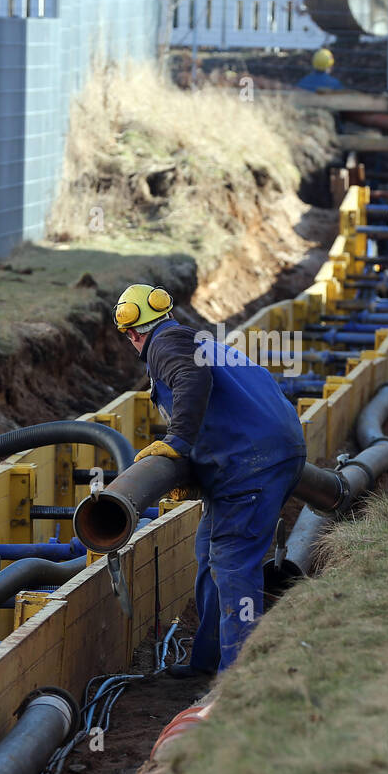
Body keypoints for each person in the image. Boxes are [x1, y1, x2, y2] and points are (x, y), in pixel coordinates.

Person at [113, 284, 308, 677]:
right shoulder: (193, 339)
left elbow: (191, 382)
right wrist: (199, 476)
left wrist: (177, 443)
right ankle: (208, 661)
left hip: (253, 463)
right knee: (209, 553)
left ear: (132, 333)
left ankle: (235, 679)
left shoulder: (167, 348)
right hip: (259, 454)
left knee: (232, 562)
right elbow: (222, 415)